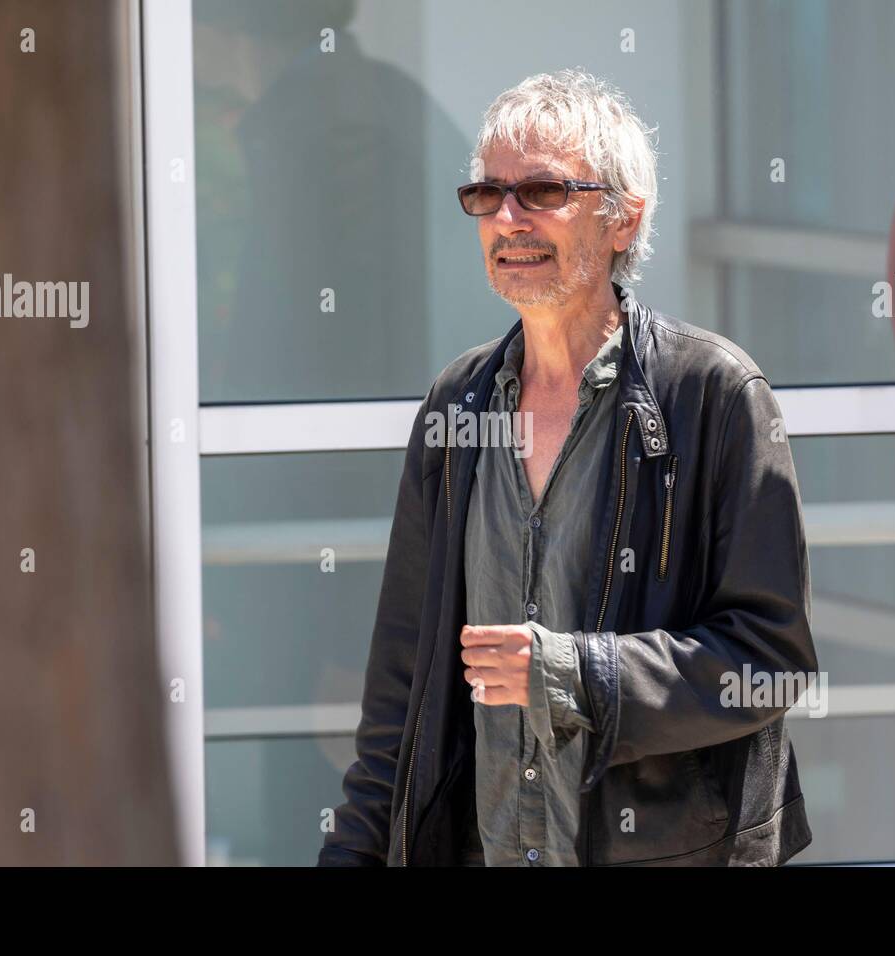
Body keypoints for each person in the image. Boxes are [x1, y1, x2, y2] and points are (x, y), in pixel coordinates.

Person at [318, 69, 817, 866]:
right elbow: (400, 697)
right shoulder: (459, 403)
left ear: (624, 219)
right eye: (487, 194)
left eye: (542, 191)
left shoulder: (714, 394)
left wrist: (574, 671)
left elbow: (769, 661)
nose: (507, 217)